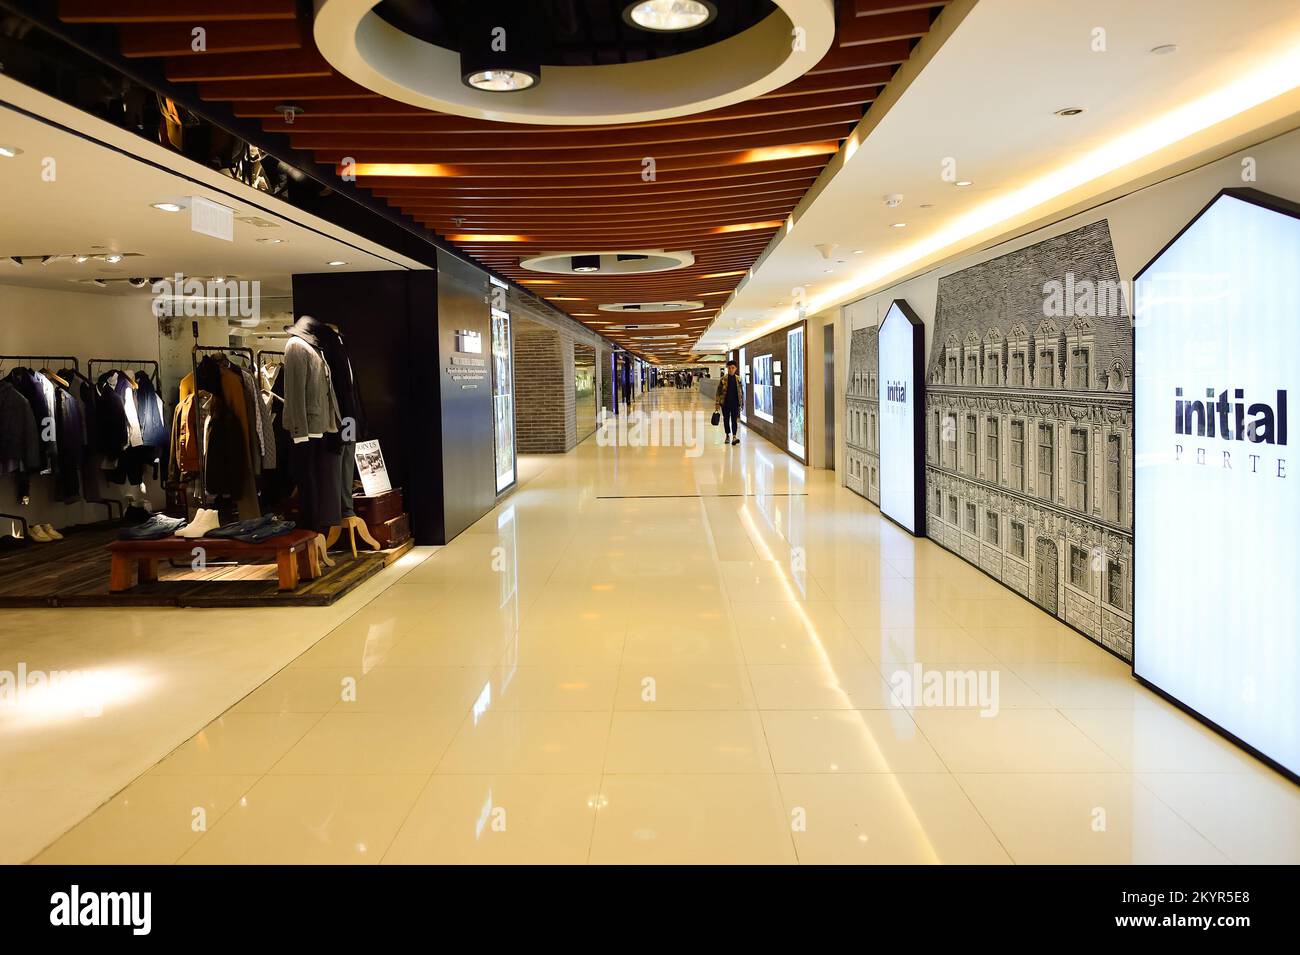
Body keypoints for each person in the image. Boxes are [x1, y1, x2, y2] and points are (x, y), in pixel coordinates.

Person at [714, 360, 743, 446]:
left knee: (734, 420)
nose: (731, 369)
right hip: (725, 403)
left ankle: (734, 436)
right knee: (726, 419)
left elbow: (741, 392)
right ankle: (727, 435)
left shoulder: (738, 379)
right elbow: (718, 392)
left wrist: (741, 403)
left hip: (735, 403)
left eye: (732, 368)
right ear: (727, 368)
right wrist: (717, 403)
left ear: (736, 368)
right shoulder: (723, 379)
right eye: (729, 368)